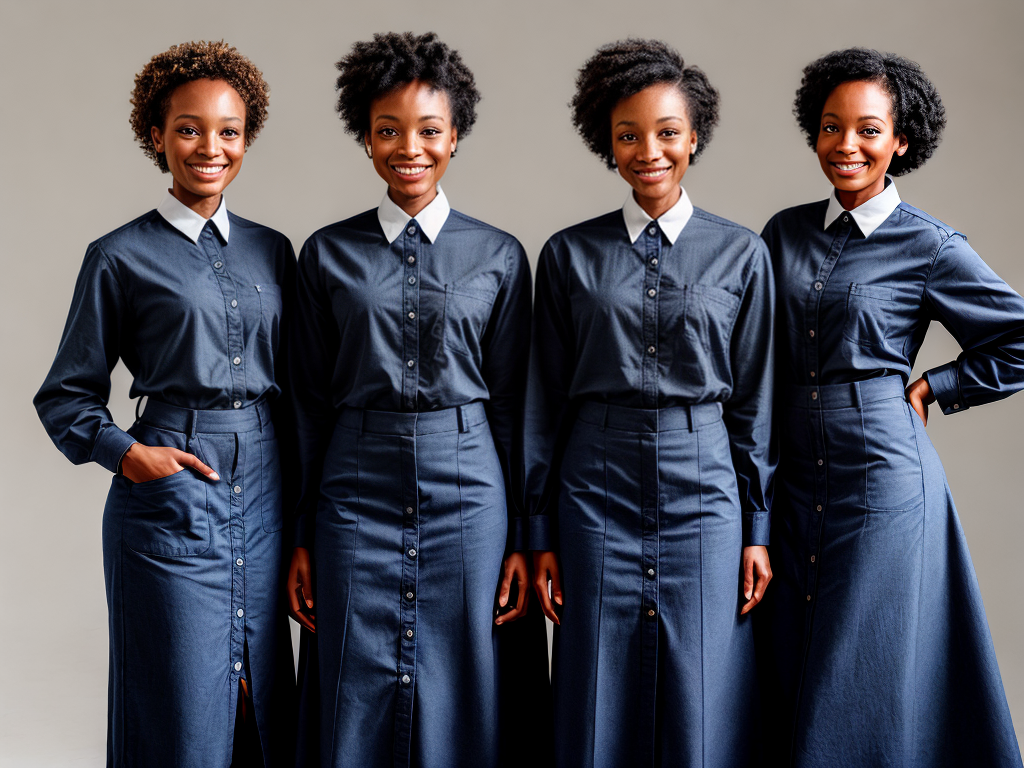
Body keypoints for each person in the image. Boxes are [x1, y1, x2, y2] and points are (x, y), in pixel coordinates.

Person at [286, 31, 548, 768]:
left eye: (429, 131)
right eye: (388, 131)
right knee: (352, 675)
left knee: (466, 673)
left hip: (468, 486)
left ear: (455, 136)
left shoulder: (498, 255)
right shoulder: (327, 254)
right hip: (352, 484)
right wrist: (302, 530)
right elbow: (307, 402)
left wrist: (527, 535)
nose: (410, 147)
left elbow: (514, 406)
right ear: (365, 139)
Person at [758, 47, 1024, 767]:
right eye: (831, 127)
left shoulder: (930, 245)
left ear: (901, 140)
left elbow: (1018, 337)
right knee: (787, 657)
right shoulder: (782, 233)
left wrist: (936, 386)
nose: (847, 145)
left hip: (883, 478)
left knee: (859, 672)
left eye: (869, 130)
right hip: (790, 480)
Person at [33, 41, 296, 767]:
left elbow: (301, 384)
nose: (210, 148)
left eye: (229, 131)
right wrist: (130, 456)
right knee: (180, 707)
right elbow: (66, 396)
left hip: (268, 491)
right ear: (156, 135)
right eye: (189, 128)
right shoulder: (118, 255)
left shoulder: (274, 252)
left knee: (261, 696)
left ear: (246, 139)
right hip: (171, 495)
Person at [525, 38, 774, 767]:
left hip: (705, 483)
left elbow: (754, 400)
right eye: (628, 135)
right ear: (606, 141)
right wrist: (539, 531)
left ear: (695, 136)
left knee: (704, 692)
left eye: (667, 133)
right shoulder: (569, 254)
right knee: (595, 688)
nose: (649, 151)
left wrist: (757, 526)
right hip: (593, 483)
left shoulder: (741, 254)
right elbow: (544, 401)